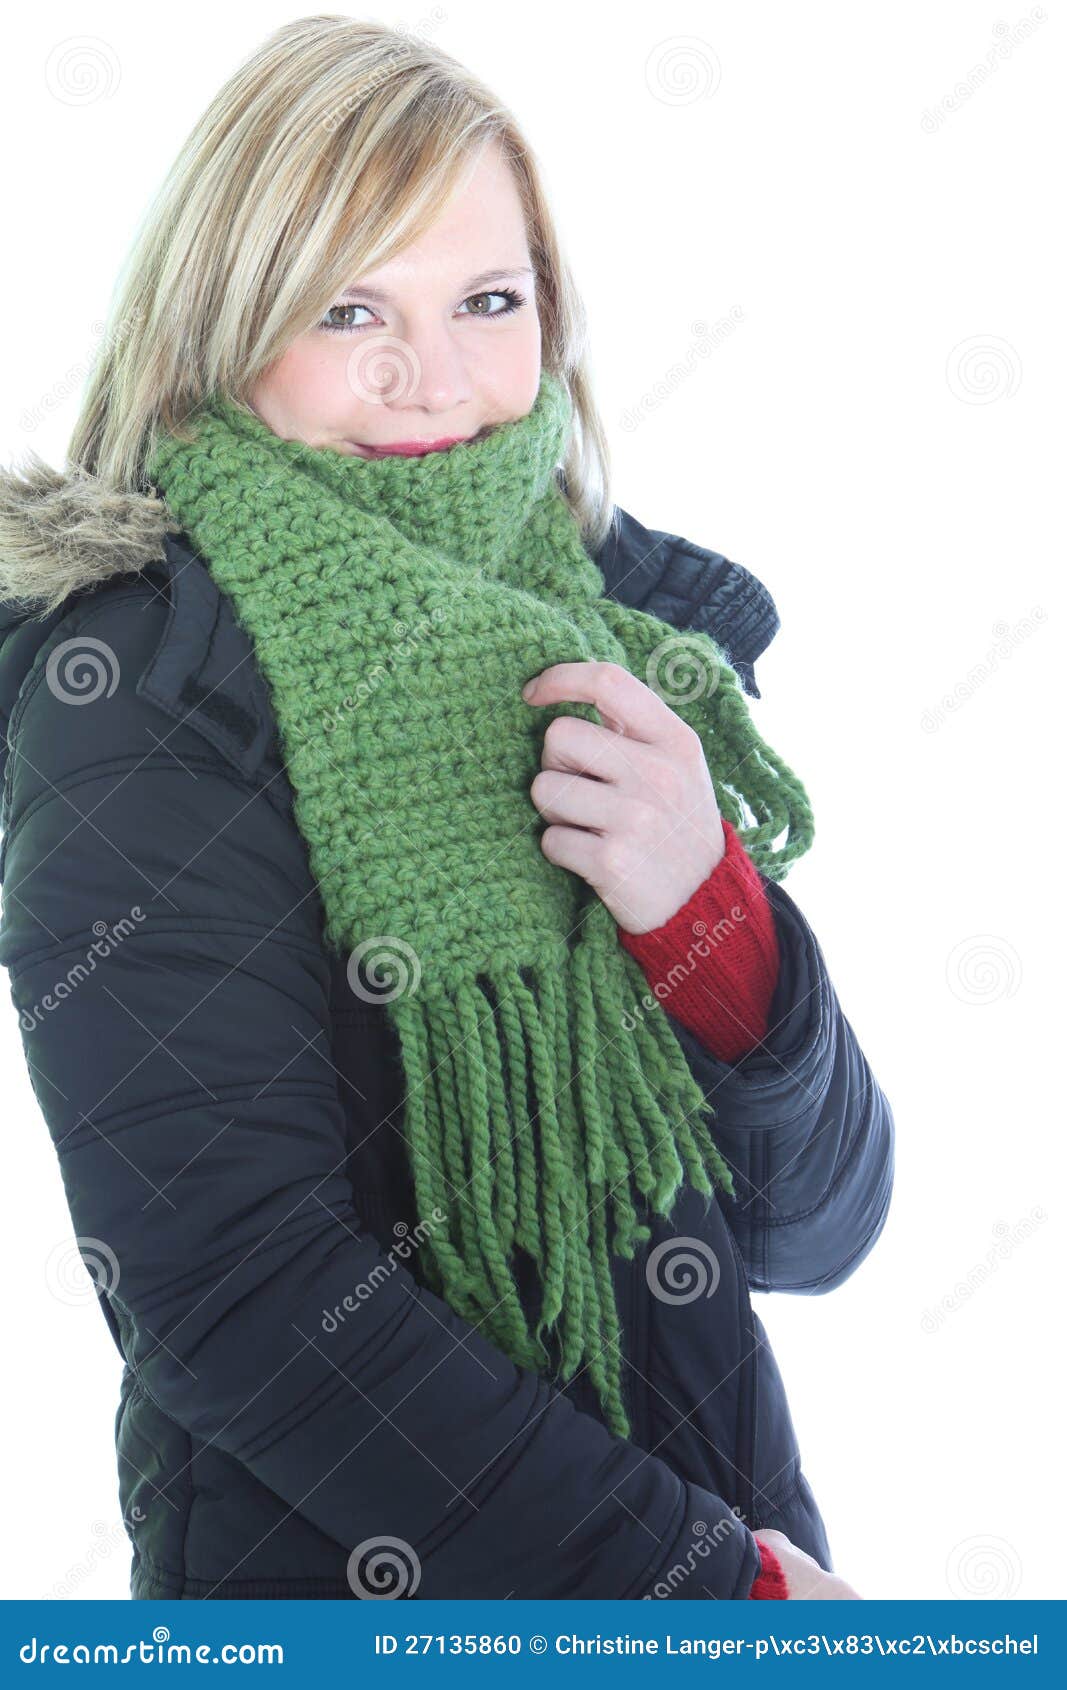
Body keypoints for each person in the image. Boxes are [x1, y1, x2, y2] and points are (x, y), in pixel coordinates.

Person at [0, 17, 892, 1601]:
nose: (437, 377)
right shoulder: (146, 684)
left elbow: (813, 1231)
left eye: (490, 299)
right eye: (351, 310)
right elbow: (234, 1297)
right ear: (219, 331)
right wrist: (700, 1589)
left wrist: (709, 918)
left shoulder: (610, 633)